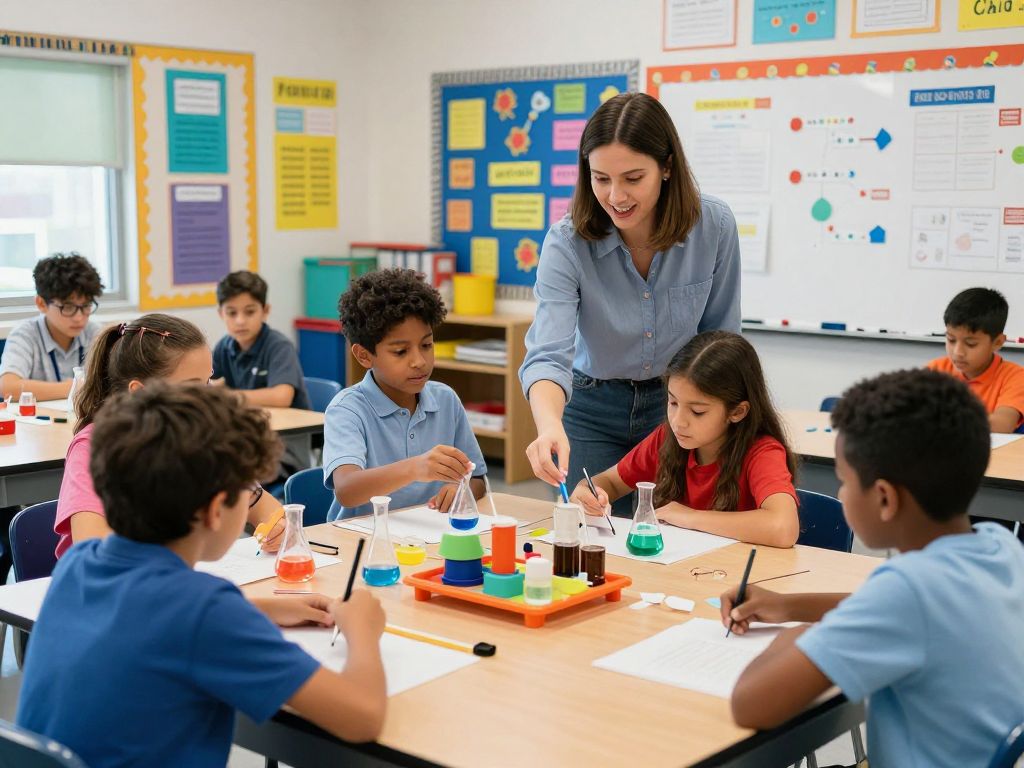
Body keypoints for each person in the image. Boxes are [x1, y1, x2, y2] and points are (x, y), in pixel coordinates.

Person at [18, 383, 387, 766]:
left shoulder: (82, 563)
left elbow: (151, 615)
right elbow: (362, 718)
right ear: (215, 510)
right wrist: (362, 630)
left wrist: (257, 609)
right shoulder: (205, 612)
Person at [723, 369, 1024, 767]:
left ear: (884, 499)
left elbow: (750, 704)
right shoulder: (1000, 546)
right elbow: (904, 610)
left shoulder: (907, 592)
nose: (842, 494)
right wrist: (788, 605)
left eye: (844, 482)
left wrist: (801, 631)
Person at [519, 92, 741, 515]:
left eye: (633, 178)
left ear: (667, 168)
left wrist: (711, 420)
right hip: (590, 408)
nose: (616, 195)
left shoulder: (714, 226)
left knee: (674, 538)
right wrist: (549, 426)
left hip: (677, 408)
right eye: (601, 179)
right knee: (589, 540)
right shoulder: (566, 244)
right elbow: (548, 354)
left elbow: (722, 341)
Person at [54, 314, 285, 559]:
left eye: (208, 381)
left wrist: (278, 529)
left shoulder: (201, 433)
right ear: (140, 394)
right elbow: (95, 553)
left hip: (171, 583)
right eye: (192, 386)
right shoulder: (94, 448)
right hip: (110, 589)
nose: (207, 396)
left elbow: (263, 507)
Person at [571, 331, 798, 547]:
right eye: (673, 403)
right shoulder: (666, 439)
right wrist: (588, 492)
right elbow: (610, 482)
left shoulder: (762, 452)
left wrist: (690, 517)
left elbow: (783, 527)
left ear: (737, 412)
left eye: (697, 411)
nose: (678, 422)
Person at [324, 268, 486, 521]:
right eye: (400, 351)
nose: (419, 361)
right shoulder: (348, 409)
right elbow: (347, 490)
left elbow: (477, 478)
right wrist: (415, 468)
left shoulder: (445, 400)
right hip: (364, 542)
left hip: (431, 538)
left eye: (426, 345)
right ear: (364, 355)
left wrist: (460, 490)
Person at [0, 252, 103, 401]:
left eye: (86, 306)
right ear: (41, 304)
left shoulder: (95, 333)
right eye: (68, 307)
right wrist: (74, 387)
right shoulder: (25, 334)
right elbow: (7, 387)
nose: (79, 317)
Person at [926, 287, 1024, 433]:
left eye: (971, 344)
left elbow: (1002, 426)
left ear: (997, 342)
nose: (958, 352)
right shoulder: (936, 370)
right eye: (951, 340)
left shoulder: (1015, 377)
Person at [213, 270, 311, 410]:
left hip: (290, 429)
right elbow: (206, 382)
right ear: (221, 314)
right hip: (250, 424)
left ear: (265, 311)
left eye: (250, 312)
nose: (240, 321)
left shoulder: (279, 346)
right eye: (232, 313)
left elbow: (282, 397)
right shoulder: (223, 346)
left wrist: (227, 396)